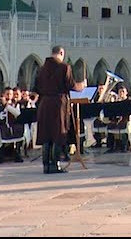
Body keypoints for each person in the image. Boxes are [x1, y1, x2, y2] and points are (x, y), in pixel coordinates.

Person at [34, 45, 85, 174]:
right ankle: (55, 164)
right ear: (61, 53)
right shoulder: (64, 67)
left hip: (44, 104)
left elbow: (36, 87)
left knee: (46, 134)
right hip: (58, 105)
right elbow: (71, 85)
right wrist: (82, 85)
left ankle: (46, 165)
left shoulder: (41, 69)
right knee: (57, 133)